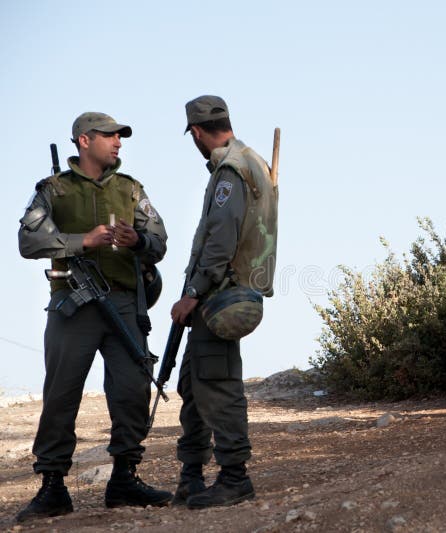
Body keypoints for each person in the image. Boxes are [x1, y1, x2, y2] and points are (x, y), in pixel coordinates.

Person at [16, 112, 172, 522]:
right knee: (62, 394)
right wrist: (81, 241)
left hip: (124, 304)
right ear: (84, 140)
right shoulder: (54, 189)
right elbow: (28, 240)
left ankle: (124, 478)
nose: (118, 142)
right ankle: (52, 486)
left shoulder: (130, 189)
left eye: (120, 137)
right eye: (110, 136)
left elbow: (160, 241)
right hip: (73, 305)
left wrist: (138, 240)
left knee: (132, 389)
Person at [170, 95, 278, 509]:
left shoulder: (231, 169)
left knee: (217, 383)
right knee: (194, 382)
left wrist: (192, 292)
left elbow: (221, 238)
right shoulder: (252, 162)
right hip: (228, 289)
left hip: (219, 293)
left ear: (196, 132)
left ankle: (235, 477)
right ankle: (191, 476)